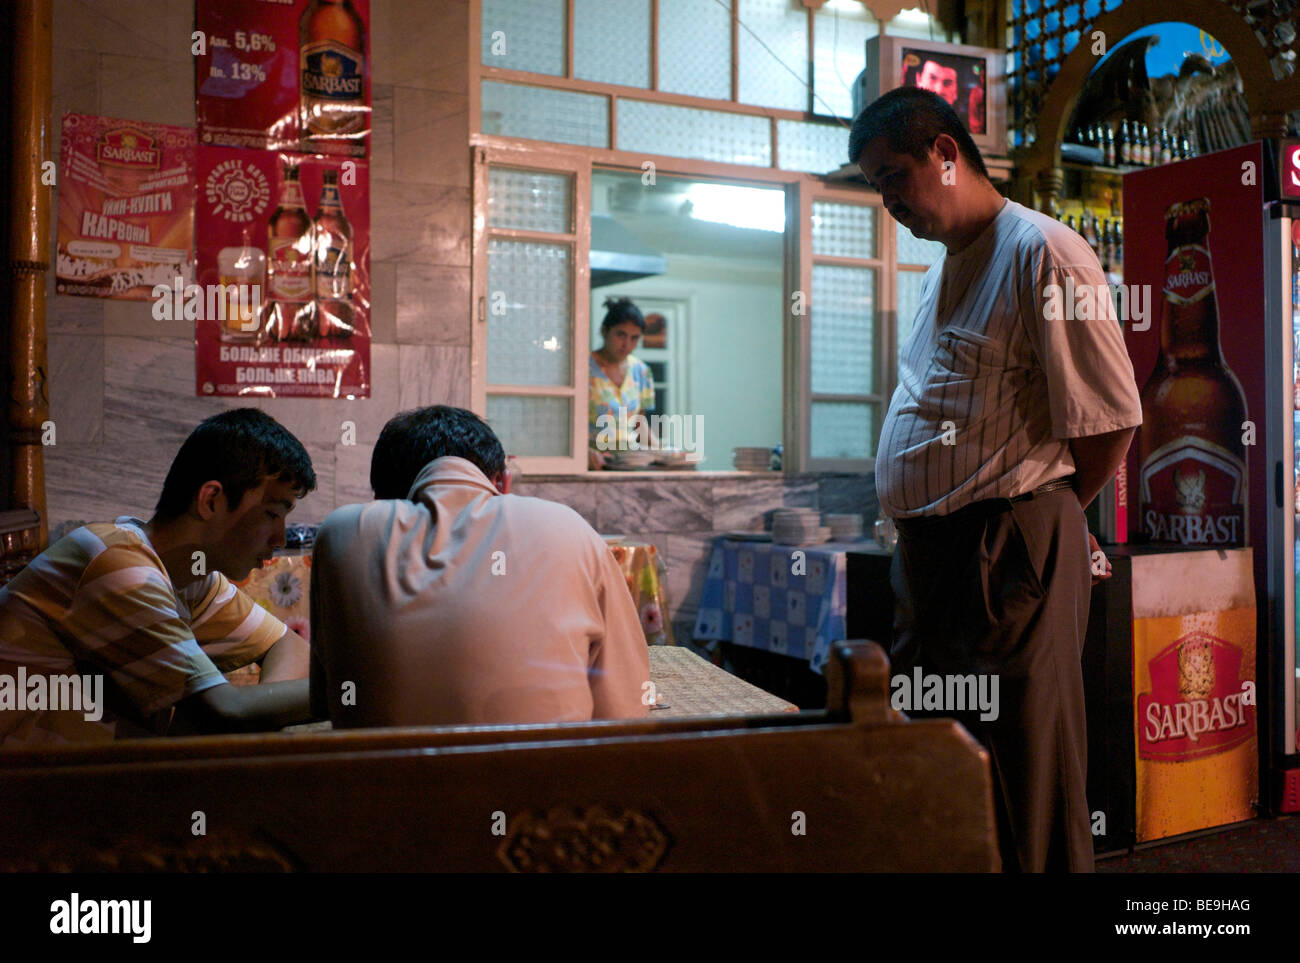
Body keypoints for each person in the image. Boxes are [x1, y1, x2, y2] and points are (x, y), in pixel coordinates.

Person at [850, 87, 1142, 872]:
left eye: (895, 176)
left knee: (1024, 771)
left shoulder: (1044, 251)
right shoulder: (940, 271)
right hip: (937, 555)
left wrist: (1049, 518)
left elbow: (1110, 417)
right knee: (948, 761)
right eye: (876, 185)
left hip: (1006, 549)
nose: (888, 200)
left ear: (948, 153)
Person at [310, 405, 650, 727]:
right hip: (548, 780)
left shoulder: (342, 534)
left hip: (379, 784)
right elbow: (624, 707)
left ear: (381, 497)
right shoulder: (567, 527)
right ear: (502, 482)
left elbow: (327, 701)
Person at [0, 409, 317, 745]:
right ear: (211, 501)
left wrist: (257, 716)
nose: (281, 538)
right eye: (271, 514)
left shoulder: (193, 575)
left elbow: (288, 646)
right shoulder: (117, 565)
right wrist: (350, 690)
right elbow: (226, 710)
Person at [589, 296, 656, 469]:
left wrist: (662, 455)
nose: (626, 344)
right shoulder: (582, 368)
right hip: (591, 463)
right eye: (621, 335)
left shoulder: (642, 371)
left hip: (630, 464)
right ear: (605, 331)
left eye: (634, 338)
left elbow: (639, 422)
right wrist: (583, 453)